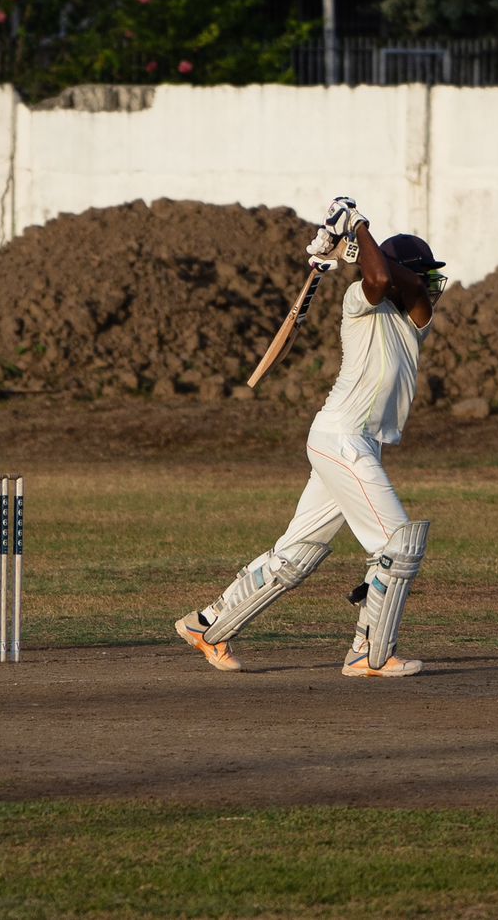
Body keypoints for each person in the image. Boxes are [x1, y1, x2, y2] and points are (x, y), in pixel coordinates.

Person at [176, 197, 448, 678]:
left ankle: (208, 625)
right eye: (423, 274)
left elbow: (395, 280)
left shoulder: (417, 316)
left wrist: (354, 238)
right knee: (398, 545)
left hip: (352, 442)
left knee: (296, 555)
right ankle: (369, 653)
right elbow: (381, 279)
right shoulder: (358, 302)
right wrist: (357, 228)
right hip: (342, 437)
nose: (429, 285)